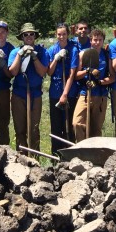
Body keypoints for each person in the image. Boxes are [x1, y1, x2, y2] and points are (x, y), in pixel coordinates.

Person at [7, 23, 49, 152]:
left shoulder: (42, 52)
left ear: (35, 36)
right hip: (19, 94)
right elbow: (12, 72)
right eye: (26, 34)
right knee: (20, 129)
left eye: (32, 34)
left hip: (35, 94)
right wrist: (20, 55)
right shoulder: (15, 52)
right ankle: (21, 158)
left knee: (34, 129)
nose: (29, 36)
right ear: (22, 37)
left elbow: (42, 72)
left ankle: (34, 158)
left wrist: (34, 57)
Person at [73, 27, 114, 141]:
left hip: (100, 95)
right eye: (95, 40)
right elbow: (76, 75)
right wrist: (88, 71)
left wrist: (100, 82)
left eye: (100, 40)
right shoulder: (83, 54)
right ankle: (82, 149)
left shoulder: (106, 55)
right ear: (90, 40)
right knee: (77, 123)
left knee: (96, 129)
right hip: (85, 93)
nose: (97, 42)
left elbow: (112, 77)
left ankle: (94, 155)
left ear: (103, 41)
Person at [47, 22, 79, 152]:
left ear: (68, 34)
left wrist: (65, 94)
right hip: (55, 89)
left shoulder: (73, 49)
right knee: (56, 125)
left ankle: (69, 153)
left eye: (64, 34)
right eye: (59, 34)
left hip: (69, 91)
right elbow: (49, 72)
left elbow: (72, 74)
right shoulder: (52, 50)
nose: (61, 37)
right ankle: (56, 155)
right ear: (56, 35)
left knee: (69, 124)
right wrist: (56, 59)